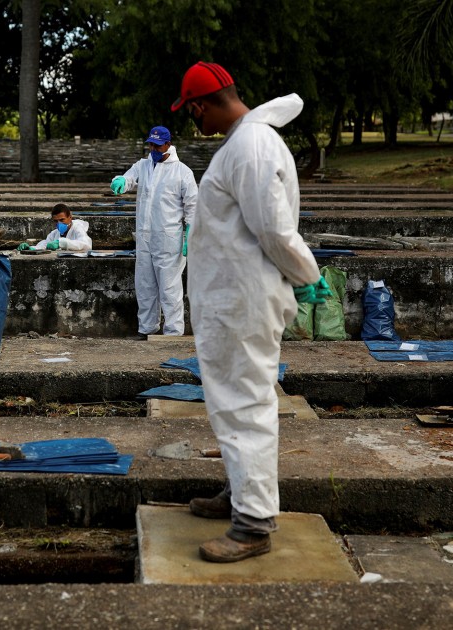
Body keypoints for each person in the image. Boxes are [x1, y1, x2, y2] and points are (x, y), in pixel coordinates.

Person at [173, 61, 330, 563]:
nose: (193, 121)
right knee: (231, 401)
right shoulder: (244, 142)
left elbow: (274, 229)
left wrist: (306, 274)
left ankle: (253, 523)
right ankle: (239, 491)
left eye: (191, 112)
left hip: (243, 300)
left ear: (200, 105)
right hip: (233, 299)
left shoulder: (251, 145)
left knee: (244, 404)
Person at [110, 126, 198, 339]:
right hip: (145, 237)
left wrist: (190, 234)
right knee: (145, 285)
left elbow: (193, 207)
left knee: (169, 288)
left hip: (169, 239)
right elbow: (128, 179)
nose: (153, 149)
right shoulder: (143, 166)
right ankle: (147, 328)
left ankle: (173, 333)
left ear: (168, 144)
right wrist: (120, 181)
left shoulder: (182, 172)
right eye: (151, 145)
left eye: (158, 145)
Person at [17, 203, 92, 252]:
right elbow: (45, 244)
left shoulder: (77, 228)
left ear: (70, 217)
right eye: (56, 221)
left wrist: (62, 243)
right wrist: (32, 248)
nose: (59, 223)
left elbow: (86, 244)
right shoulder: (55, 233)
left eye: (62, 220)